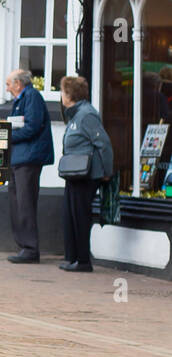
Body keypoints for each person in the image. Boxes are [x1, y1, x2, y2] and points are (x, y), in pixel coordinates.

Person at [57, 75, 114, 272]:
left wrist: (107, 172)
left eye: (63, 91)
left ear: (70, 94)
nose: (61, 95)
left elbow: (103, 144)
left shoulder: (86, 114)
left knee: (80, 216)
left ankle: (82, 261)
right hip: (74, 173)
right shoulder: (75, 114)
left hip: (87, 174)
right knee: (70, 215)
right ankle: (72, 257)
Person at [5, 68, 55, 263]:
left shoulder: (31, 96)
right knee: (17, 202)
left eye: (9, 84)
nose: (7, 88)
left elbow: (32, 127)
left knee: (25, 203)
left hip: (28, 158)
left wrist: (7, 135)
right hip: (19, 157)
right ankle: (24, 247)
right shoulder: (22, 99)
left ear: (18, 84)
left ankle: (30, 248)